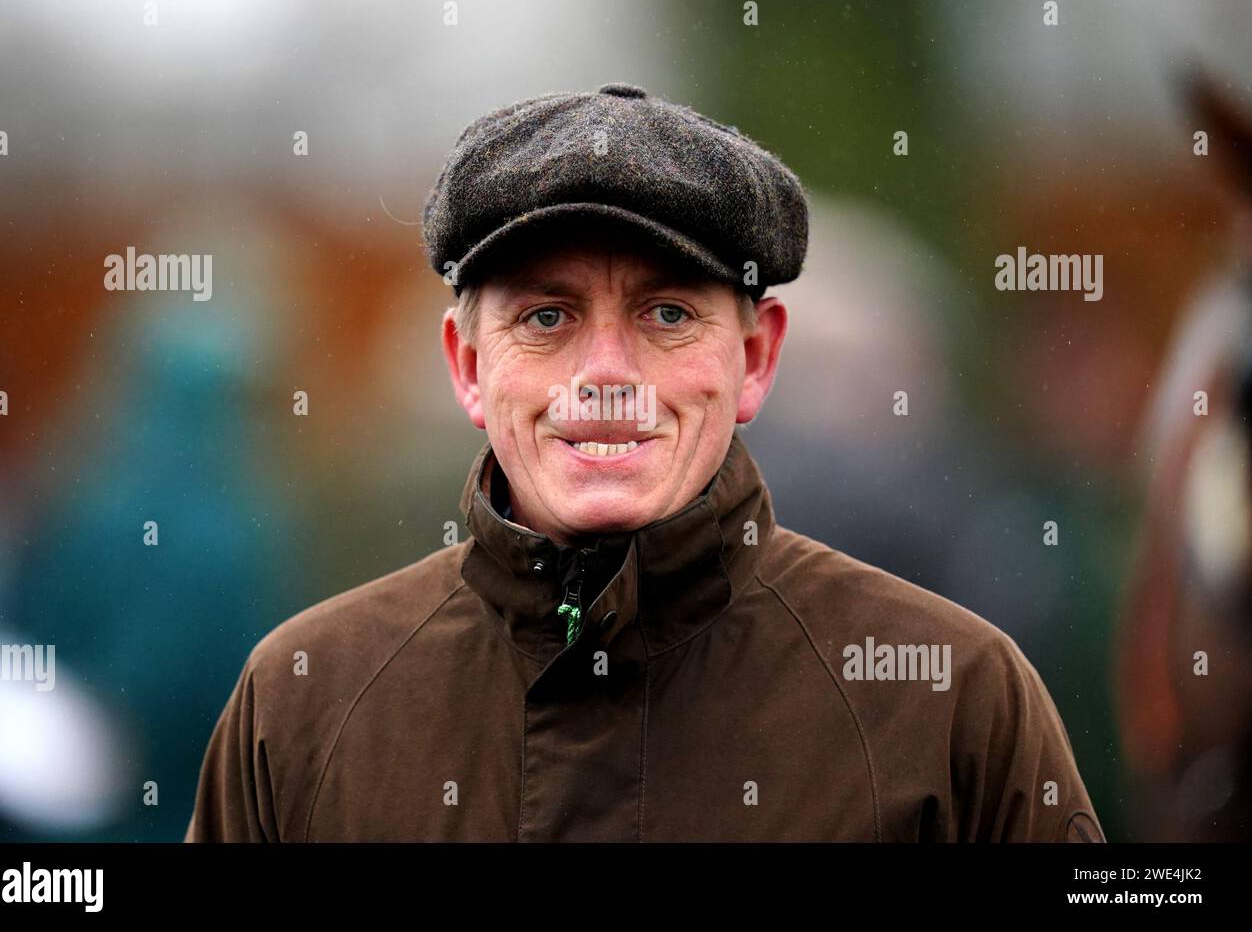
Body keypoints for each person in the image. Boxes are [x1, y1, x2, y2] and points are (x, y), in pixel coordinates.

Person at [185, 82, 1104, 841]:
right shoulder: (302, 703)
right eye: (547, 317)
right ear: (468, 366)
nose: (607, 377)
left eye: (668, 315)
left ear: (755, 361)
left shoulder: (956, 697)